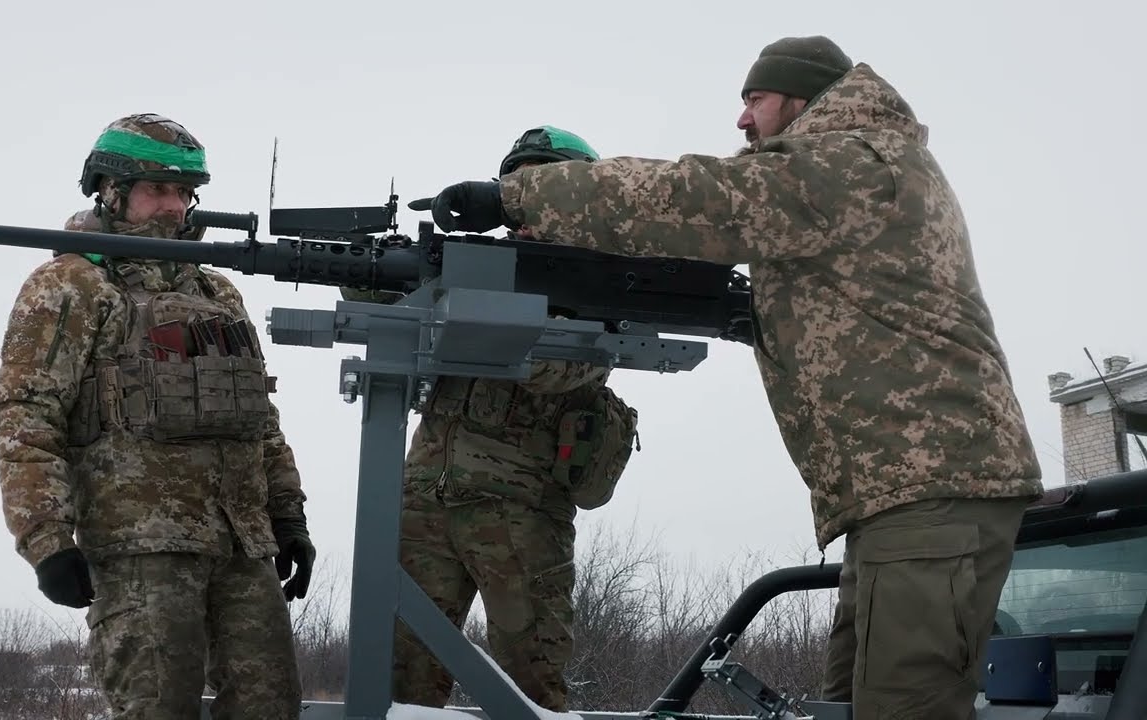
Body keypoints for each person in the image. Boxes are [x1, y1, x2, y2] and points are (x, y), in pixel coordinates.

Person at [414, 38, 1045, 719]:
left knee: (902, 708)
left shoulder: (850, 161)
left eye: (755, 100)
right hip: (902, 498)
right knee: (848, 705)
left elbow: (700, 199)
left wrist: (514, 196)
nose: (743, 121)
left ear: (801, 101)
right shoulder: (854, 174)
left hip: (933, 493)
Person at [0, 113, 314, 719]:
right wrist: (48, 541)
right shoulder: (73, 285)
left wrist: (287, 517)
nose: (174, 205)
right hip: (140, 548)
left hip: (243, 544)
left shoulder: (217, 294)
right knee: (157, 708)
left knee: (271, 705)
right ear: (110, 191)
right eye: (157, 190)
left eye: (185, 193)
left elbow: (260, 420)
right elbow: (25, 419)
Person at [343, 126, 641, 712]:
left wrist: (475, 305)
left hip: (519, 513)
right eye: (517, 186)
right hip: (425, 498)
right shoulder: (478, 266)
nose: (526, 204)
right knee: (399, 683)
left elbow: (559, 368)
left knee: (531, 689)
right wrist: (384, 267)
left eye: (545, 185)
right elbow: (374, 310)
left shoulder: (597, 281)